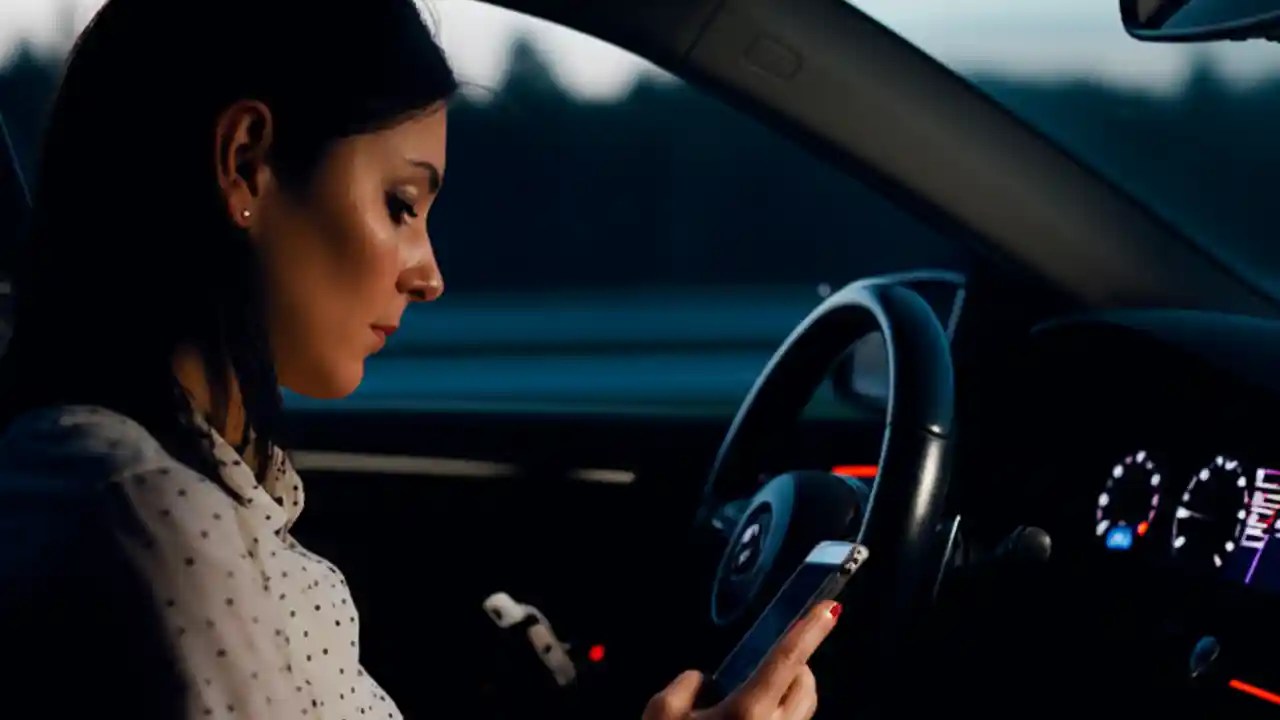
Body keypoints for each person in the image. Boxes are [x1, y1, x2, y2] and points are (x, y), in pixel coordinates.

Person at [0, 0, 838, 717]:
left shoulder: (174, 487)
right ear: (246, 161)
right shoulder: (151, 516)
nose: (429, 274)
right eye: (400, 204)